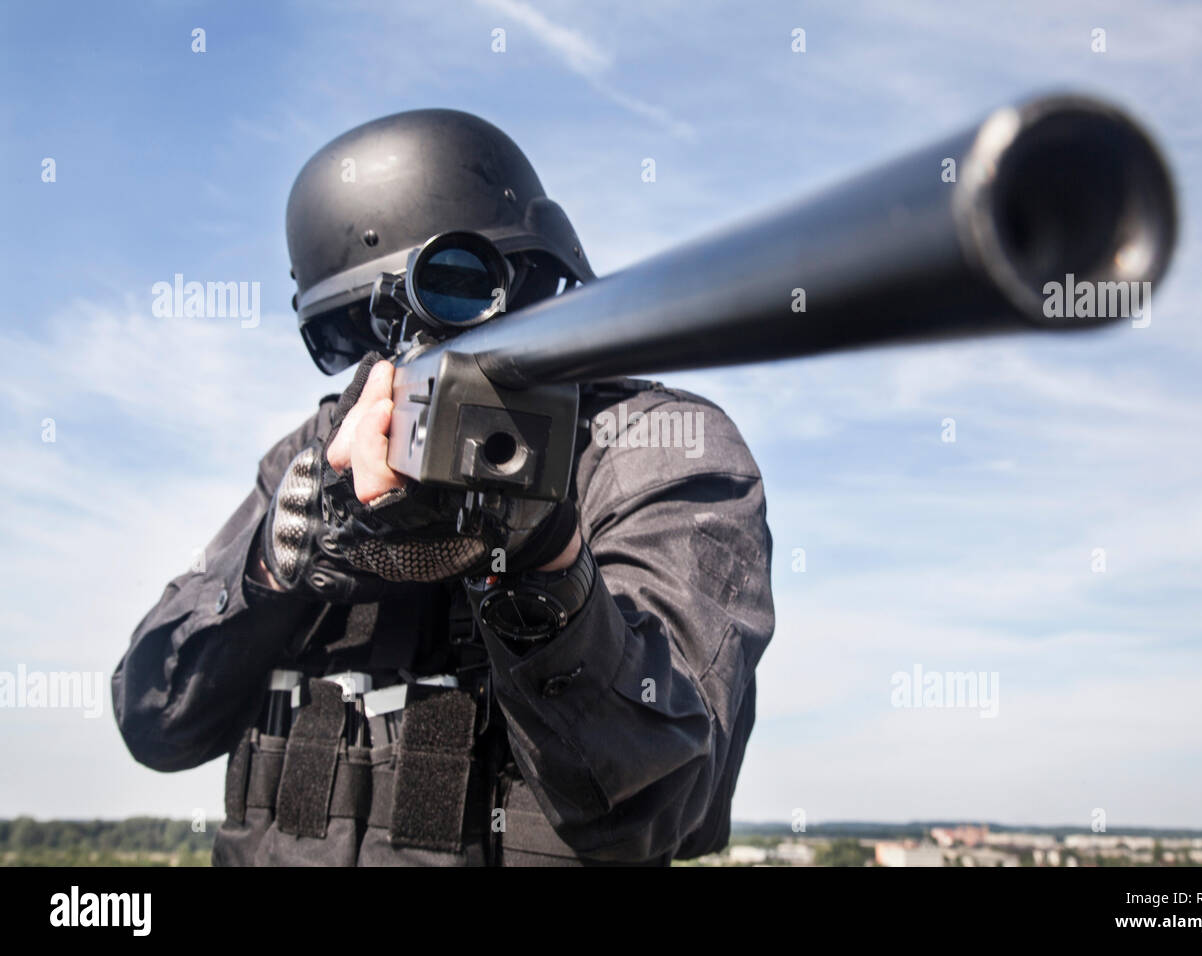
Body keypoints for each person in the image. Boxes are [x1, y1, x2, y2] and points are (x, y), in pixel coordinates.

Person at [112, 109, 775, 866]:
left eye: (454, 296)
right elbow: (154, 720)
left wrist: (537, 557)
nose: (393, 358)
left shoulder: (655, 446)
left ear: (525, 280)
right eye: (361, 334)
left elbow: (654, 809)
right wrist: (273, 565)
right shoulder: (313, 453)